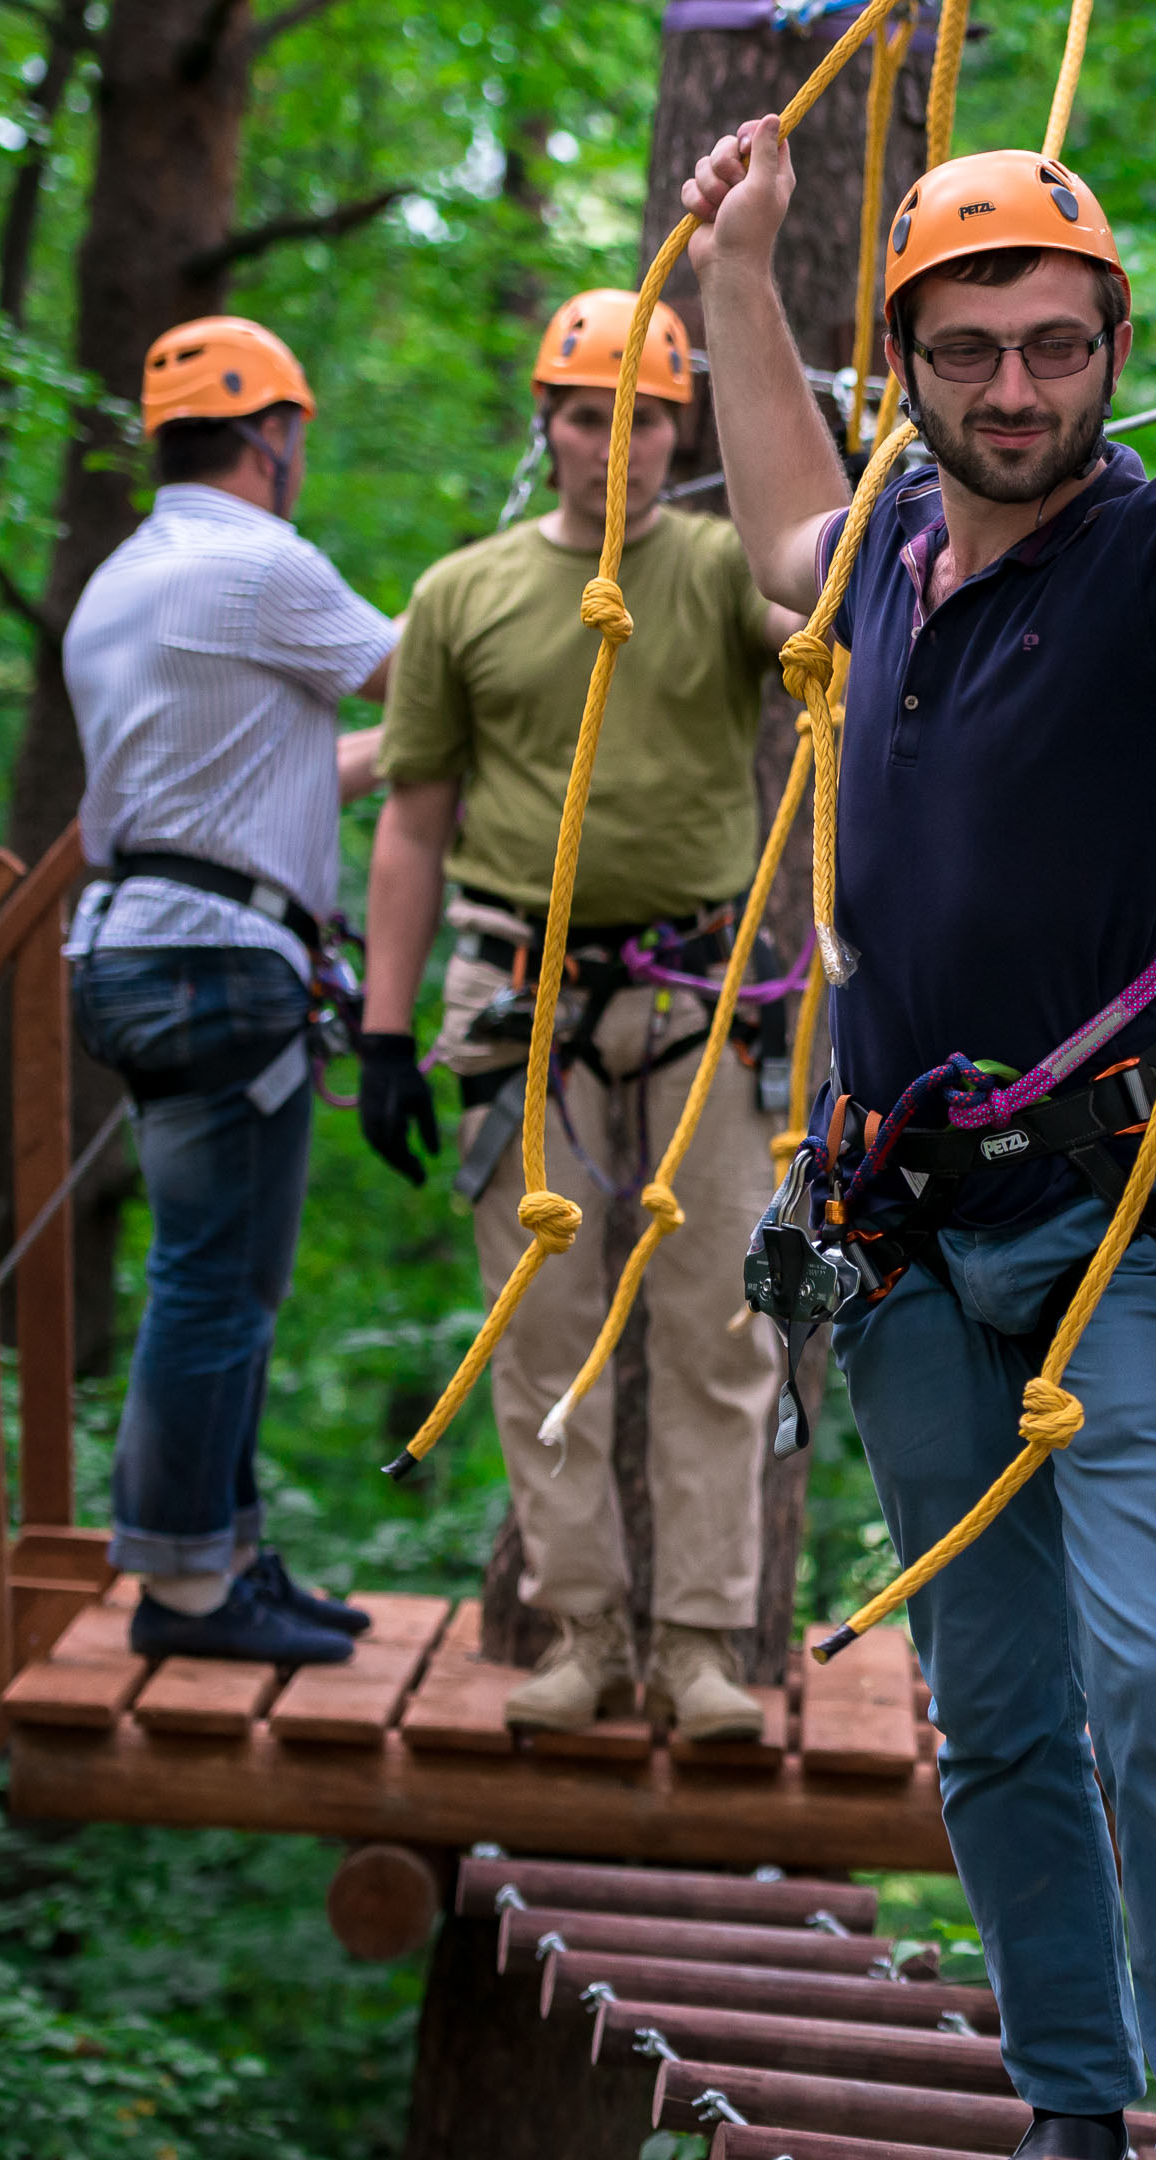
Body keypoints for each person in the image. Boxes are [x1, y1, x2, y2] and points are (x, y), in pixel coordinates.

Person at [679, 21, 1156, 2157]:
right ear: (909, 361)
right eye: (976, 351)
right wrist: (741, 282)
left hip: (1124, 1228)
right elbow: (777, 537)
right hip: (905, 1236)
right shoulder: (890, 569)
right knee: (994, 1721)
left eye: (1060, 349)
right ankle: (1074, 2115)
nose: (1019, 391)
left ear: (1114, 354)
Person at [358, 287, 791, 1740]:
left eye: (647, 417)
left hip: (698, 996)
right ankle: (585, 1632)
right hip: (519, 994)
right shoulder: (463, 595)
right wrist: (380, 1027)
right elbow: (412, 824)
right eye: (590, 414)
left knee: (717, 1323)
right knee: (543, 1327)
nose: (616, 443)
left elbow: (829, 613)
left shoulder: (727, 572)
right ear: (547, 424)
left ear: (683, 433)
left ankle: (699, 1649)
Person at [64, 315, 398, 1666]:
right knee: (215, 1282)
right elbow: (430, 679)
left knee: (217, 1274)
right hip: (214, 965)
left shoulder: (123, 583)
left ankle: (226, 1553)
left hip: (137, 941)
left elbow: (273, 782)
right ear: (274, 434)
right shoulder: (259, 563)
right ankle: (189, 1588)